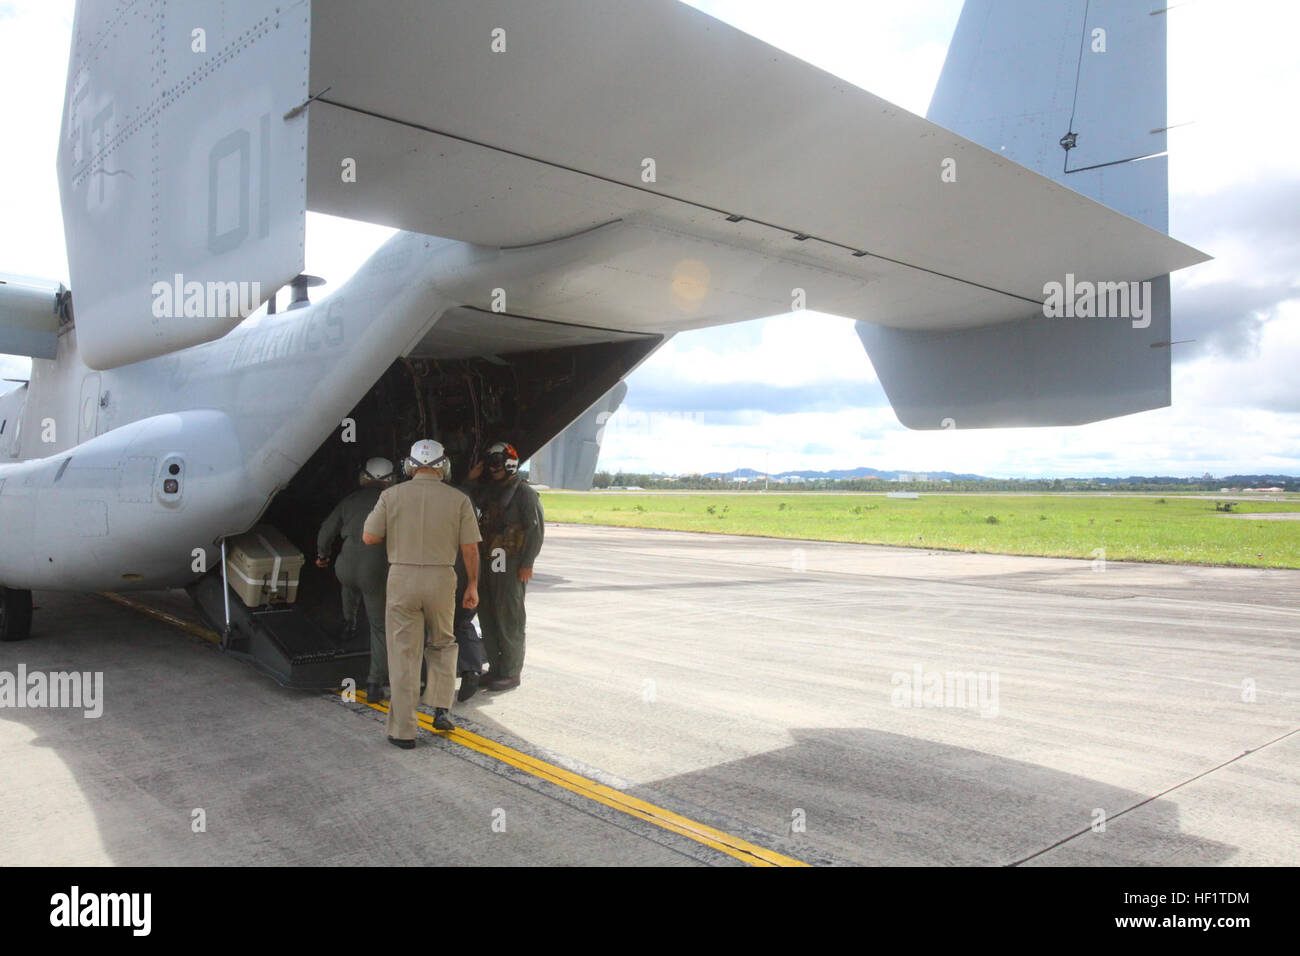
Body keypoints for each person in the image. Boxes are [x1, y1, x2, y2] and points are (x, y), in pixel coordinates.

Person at [362, 439, 480, 748]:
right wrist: (472, 586)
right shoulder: (459, 499)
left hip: (402, 577)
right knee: (443, 643)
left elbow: (370, 536)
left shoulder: (390, 495)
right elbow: (470, 549)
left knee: (404, 654)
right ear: (443, 466)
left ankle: (403, 731)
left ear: (409, 466)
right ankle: (440, 710)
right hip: (442, 577)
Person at [465, 441, 544, 692]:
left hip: (510, 565)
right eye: (491, 465)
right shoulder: (489, 490)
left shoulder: (524, 493)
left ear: (509, 463)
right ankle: (495, 669)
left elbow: (535, 529)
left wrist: (527, 563)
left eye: (498, 464)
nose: (494, 469)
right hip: (488, 562)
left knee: (509, 617)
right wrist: (470, 480)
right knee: (487, 615)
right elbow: (467, 499)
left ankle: (511, 673)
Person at [315, 457, 394, 703]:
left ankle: (348, 622)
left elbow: (326, 532)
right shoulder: (392, 501)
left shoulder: (349, 500)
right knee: (378, 627)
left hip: (346, 564)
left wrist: (322, 555)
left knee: (349, 586)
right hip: (376, 567)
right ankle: (374, 683)